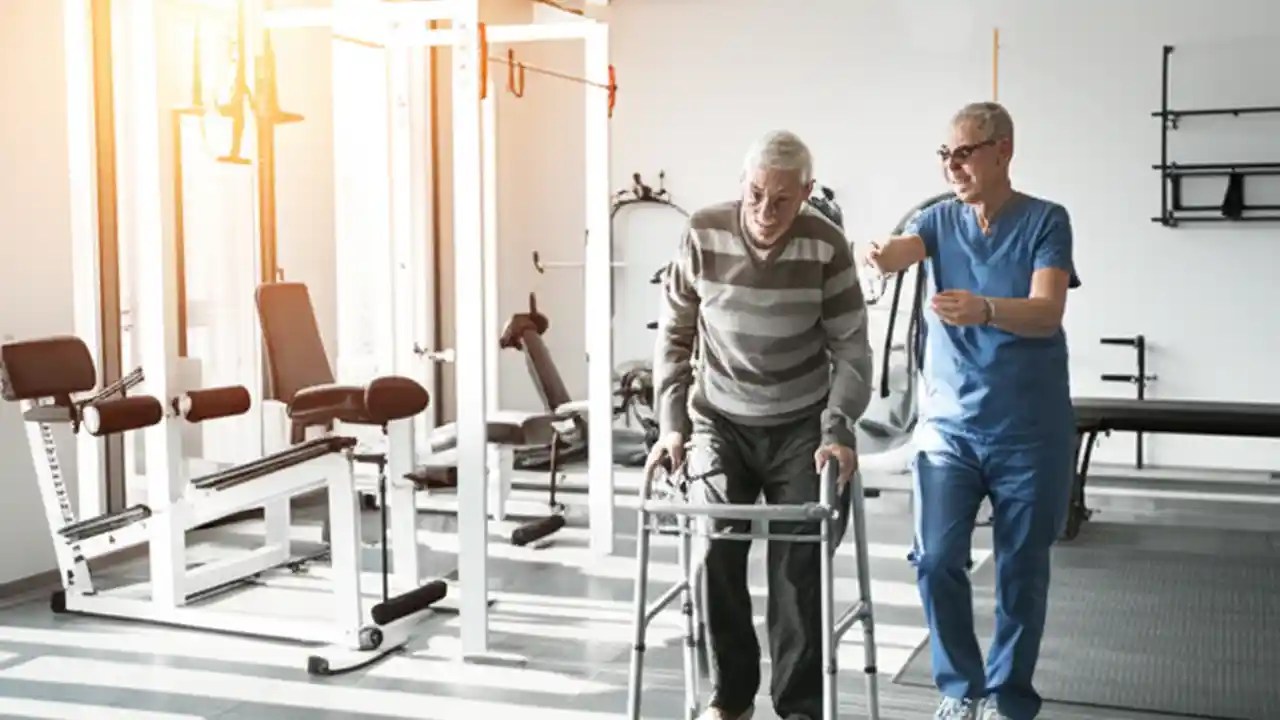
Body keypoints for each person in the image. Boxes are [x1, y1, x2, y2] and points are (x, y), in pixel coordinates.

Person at [647, 129, 874, 720]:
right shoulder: (703, 232)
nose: (765, 212)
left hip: (802, 421)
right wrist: (672, 424)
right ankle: (732, 697)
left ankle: (798, 707)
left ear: (805, 193)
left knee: (799, 563)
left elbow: (851, 347)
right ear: (742, 184)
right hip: (720, 418)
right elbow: (673, 337)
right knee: (715, 551)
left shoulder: (826, 245)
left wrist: (839, 427)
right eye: (755, 195)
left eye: (781, 200)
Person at [863, 102, 1080, 720]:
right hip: (950, 429)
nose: (952, 164)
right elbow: (903, 249)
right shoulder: (937, 221)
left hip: (1029, 431)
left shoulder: (1045, 221)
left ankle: (1009, 700)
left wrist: (985, 309)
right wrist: (877, 253)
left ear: (1003, 150)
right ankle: (962, 688)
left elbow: (1046, 313)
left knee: (1022, 571)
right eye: (945, 154)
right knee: (935, 560)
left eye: (964, 151)